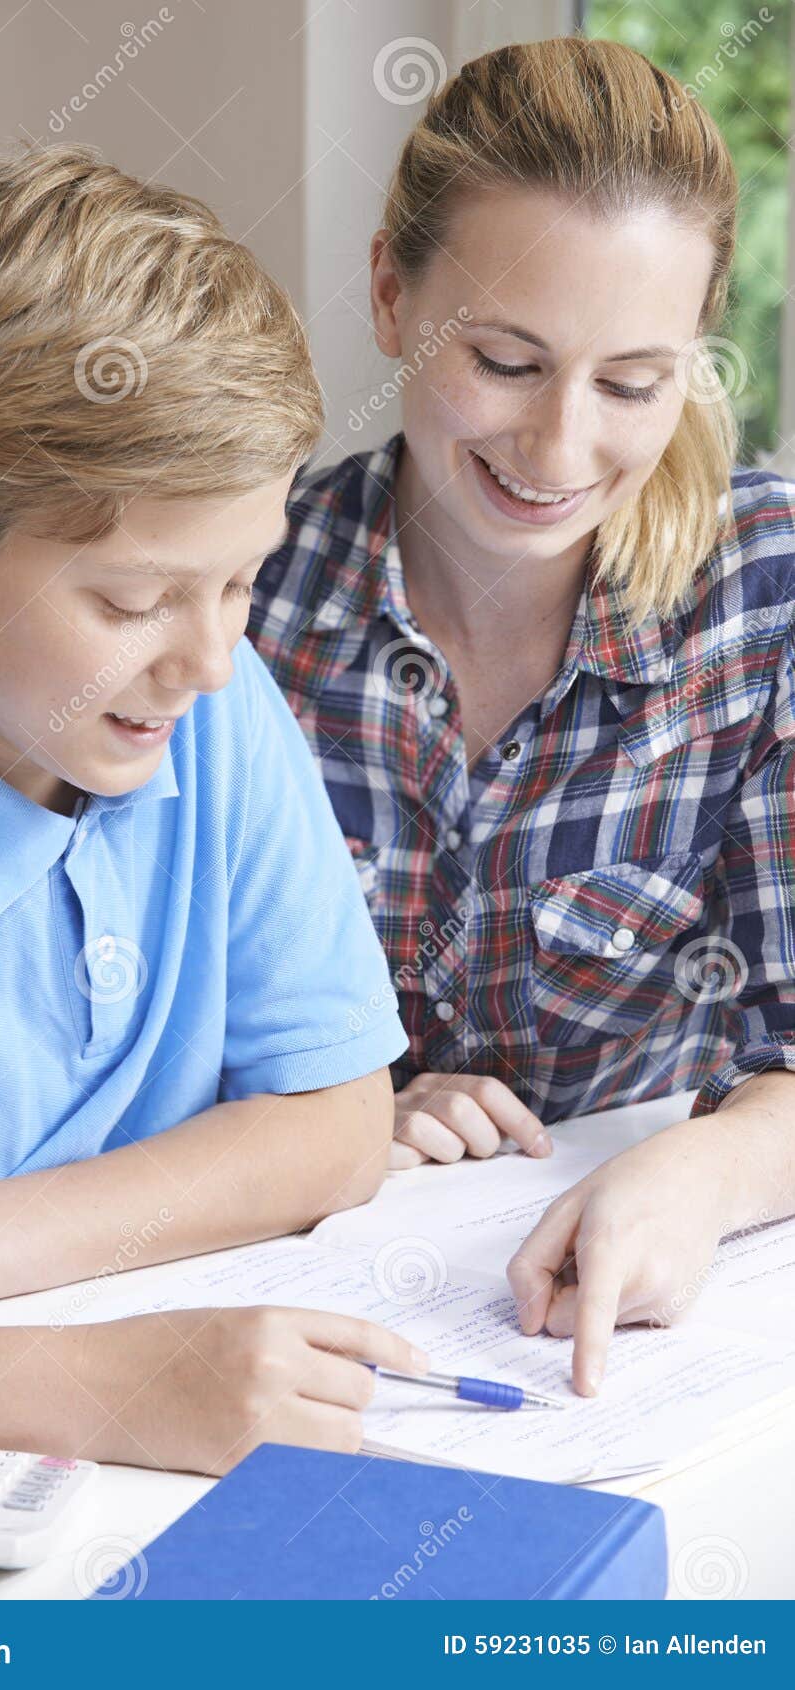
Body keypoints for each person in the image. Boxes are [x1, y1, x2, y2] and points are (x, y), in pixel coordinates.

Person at [0, 144, 427, 1469]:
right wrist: (102, 1390)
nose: (209, 659)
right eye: (129, 599)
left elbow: (336, 1119)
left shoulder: (204, 709)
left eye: (241, 582)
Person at [247, 37, 795, 1394]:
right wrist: (347, 1113)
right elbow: (139, 1038)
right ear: (391, 292)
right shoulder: (249, 599)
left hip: (636, 1299)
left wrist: (708, 1170)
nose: (559, 452)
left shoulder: (761, 594)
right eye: (503, 359)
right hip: (308, 1291)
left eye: (630, 385)